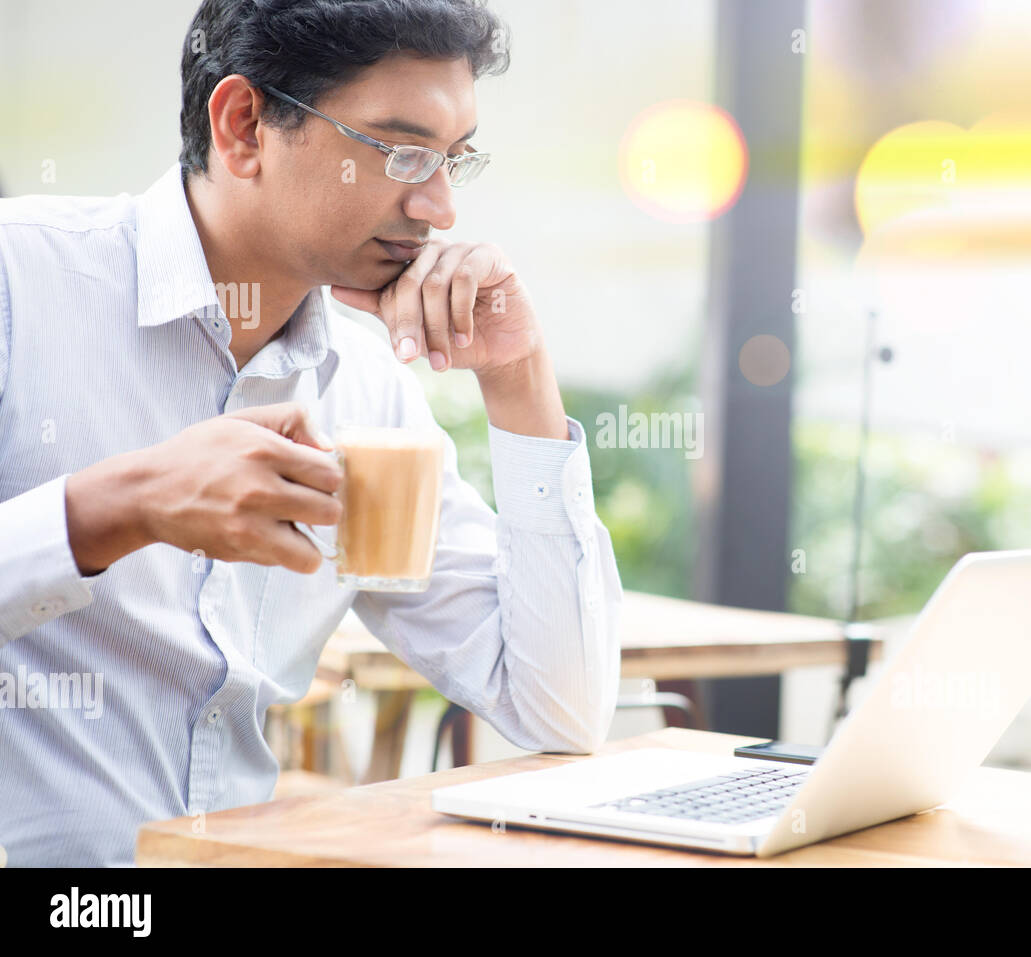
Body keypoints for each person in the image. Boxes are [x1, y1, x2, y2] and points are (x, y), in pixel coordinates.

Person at [0, 0, 622, 866]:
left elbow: (560, 707)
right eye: (401, 151)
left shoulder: (366, 393)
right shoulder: (19, 282)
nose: (439, 207)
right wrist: (122, 504)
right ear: (244, 125)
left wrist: (518, 378)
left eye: (454, 160)